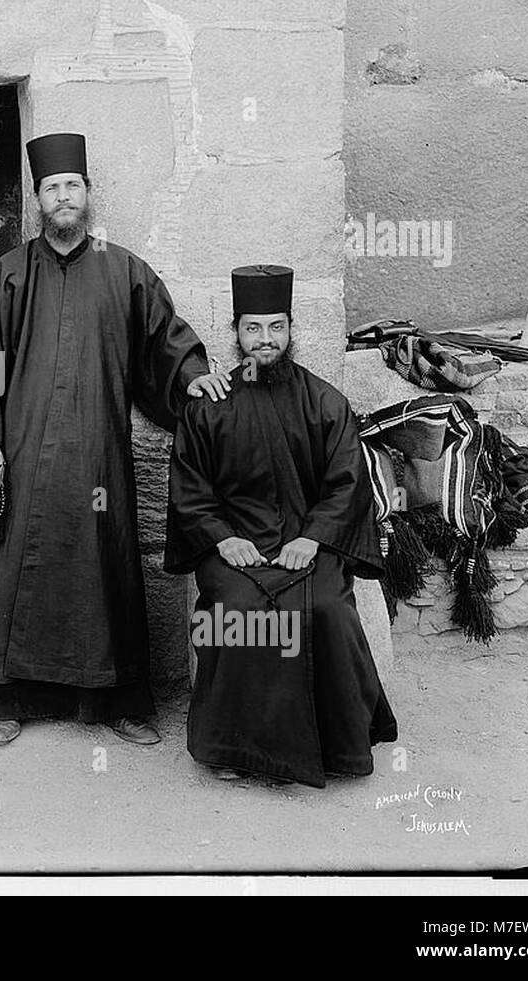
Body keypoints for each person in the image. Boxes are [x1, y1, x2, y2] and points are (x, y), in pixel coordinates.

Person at [0, 132, 231, 747]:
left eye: (73, 185)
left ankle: (121, 703)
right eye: (53, 188)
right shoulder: (9, 274)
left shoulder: (124, 270)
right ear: (39, 200)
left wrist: (194, 376)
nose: (64, 197)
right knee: (13, 569)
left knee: (106, 570)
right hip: (19, 454)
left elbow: (165, 341)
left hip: (99, 458)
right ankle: (6, 699)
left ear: (88, 195)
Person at [166, 264, 398, 787]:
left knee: (321, 608)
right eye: (253, 328)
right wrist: (224, 540)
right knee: (236, 608)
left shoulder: (325, 402)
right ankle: (231, 747)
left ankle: (336, 747)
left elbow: (347, 484)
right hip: (234, 549)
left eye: (275, 327)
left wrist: (311, 538)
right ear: (237, 332)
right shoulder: (208, 408)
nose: (265, 340)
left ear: (291, 329)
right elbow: (191, 490)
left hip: (308, 543)